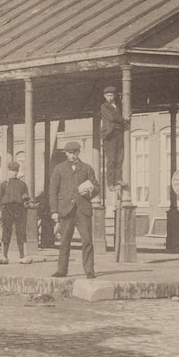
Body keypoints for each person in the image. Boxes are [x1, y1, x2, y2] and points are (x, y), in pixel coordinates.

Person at [49, 141, 99, 279]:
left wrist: (89, 191)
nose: (73, 155)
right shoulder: (59, 169)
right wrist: (54, 211)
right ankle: (61, 270)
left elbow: (96, 187)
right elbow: (53, 191)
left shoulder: (87, 168)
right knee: (64, 241)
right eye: (70, 153)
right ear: (66, 153)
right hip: (65, 210)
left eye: (75, 152)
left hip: (83, 210)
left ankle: (89, 270)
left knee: (87, 240)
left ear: (79, 152)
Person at [0, 160, 32, 265]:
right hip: (7, 209)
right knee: (6, 231)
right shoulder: (4, 184)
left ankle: (22, 256)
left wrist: (26, 201)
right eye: (12, 171)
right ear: (8, 171)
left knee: (20, 231)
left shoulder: (22, 184)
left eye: (16, 171)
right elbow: (0, 199)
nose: (14, 173)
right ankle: (4, 256)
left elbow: (26, 197)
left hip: (20, 209)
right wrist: (0, 210)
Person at [100, 84, 126, 189]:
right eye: (108, 96)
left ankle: (118, 179)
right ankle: (110, 183)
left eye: (111, 95)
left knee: (119, 158)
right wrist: (124, 119)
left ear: (114, 96)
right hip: (109, 135)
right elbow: (111, 118)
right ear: (105, 96)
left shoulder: (117, 106)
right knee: (111, 159)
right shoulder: (104, 106)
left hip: (118, 133)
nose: (110, 97)